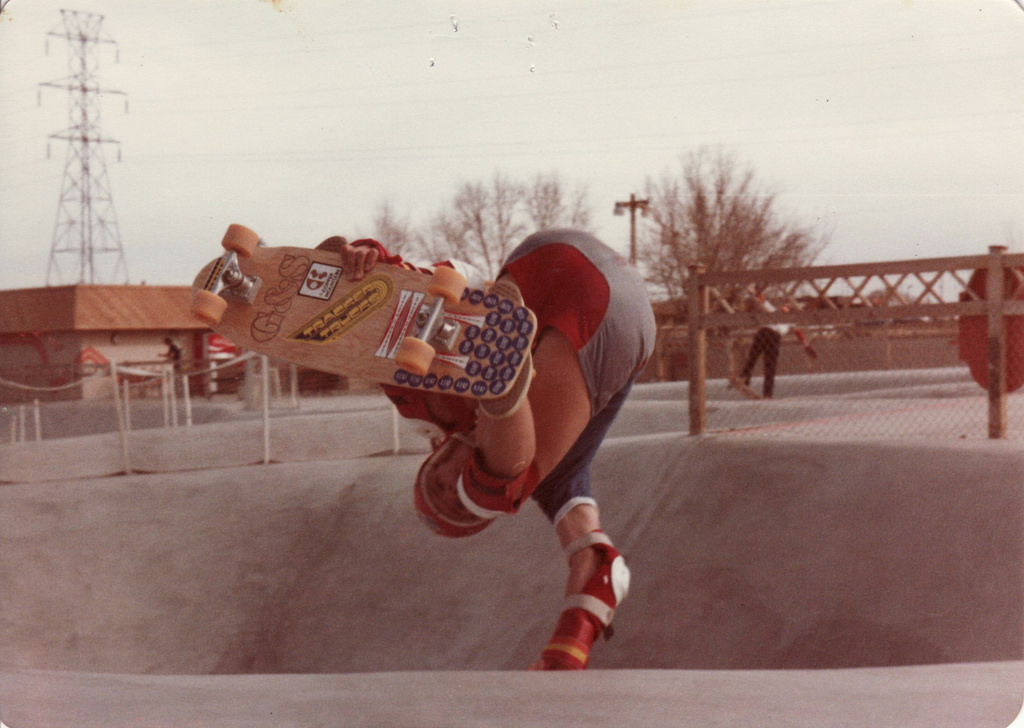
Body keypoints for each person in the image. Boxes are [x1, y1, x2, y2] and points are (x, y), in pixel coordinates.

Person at [330, 229, 656, 670]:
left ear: (436, 455)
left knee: (419, 374)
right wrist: (566, 654)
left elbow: (434, 291)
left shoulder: (423, 410)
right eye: (461, 504)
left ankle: (501, 366)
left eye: (440, 483)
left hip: (542, 269)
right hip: (612, 309)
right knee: (518, 487)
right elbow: (603, 570)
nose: (453, 486)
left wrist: (369, 261)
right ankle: (503, 385)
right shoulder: (556, 478)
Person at [738, 295, 816, 399]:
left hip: (765, 334)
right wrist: (806, 345)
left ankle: (747, 379)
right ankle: (761, 389)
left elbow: (799, 333)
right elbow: (762, 299)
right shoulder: (779, 313)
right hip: (770, 335)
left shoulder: (784, 317)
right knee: (766, 364)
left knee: (756, 359)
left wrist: (806, 345)